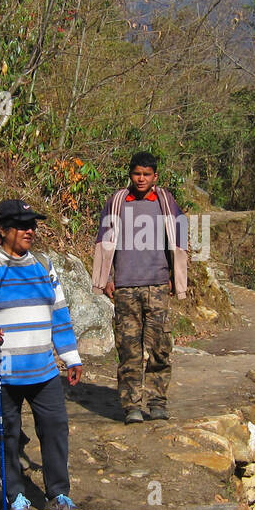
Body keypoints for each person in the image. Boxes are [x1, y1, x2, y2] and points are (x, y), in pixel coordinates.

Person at [0, 200, 85, 510]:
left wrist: (70, 357)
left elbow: (60, 314)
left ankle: (58, 495)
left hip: (43, 369)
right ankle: (15, 498)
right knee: (5, 433)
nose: (31, 231)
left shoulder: (44, 265)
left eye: (33, 225)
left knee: (55, 429)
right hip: (2, 370)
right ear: (3, 230)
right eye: (22, 225)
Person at [91, 151, 188, 424]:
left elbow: (179, 240)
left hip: (157, 285)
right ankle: (131, 405)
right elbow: (104, 242)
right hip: (125, 287)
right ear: (130, 175)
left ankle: (158, 403)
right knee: (128, 349)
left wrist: (174, 276)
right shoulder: (117, 202)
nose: (141, 179)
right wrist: (106, 278)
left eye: (147, 174)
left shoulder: (166, 202)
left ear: (155, 176)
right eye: (137, 174)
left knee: (160, 347)